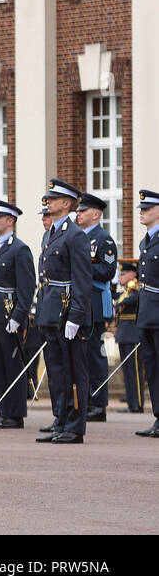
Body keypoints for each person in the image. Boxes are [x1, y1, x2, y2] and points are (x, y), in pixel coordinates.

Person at [32, 180, 93, 444]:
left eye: (54, 199)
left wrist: (76, 316)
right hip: (50, 310)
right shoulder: (50, 234)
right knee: (56, 370)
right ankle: (61, 419)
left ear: (67, 203)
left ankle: (75, 425)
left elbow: (82, 278)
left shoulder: (75, 234)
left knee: (73, 370)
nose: (49, 202)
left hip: (68, 312)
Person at [0, 200, 35, 430]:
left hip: (8, 314)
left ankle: (15, 414)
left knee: (13, 365)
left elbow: (26, 287)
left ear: (10, 220)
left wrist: (17, 316)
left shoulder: (19, 249)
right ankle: (4, 411)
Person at [76, 192, 116, 421]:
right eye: (78, 210)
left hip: (95, 303)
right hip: (81, 303)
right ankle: (87, 399)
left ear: (96, 214)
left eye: (83, 211)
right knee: (82, 356)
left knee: (95, 355)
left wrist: (82, 268)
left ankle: (99, 404)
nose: (79, 214)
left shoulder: (103, 239)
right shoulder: (80, 237)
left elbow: (108, 271)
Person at [132, 188, 159, 438]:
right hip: (147, 313)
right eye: (141, 209)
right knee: (151, 366)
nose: (142, 213)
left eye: (147, 209)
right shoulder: (145, 242)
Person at [114, 259, 144, 414]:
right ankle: (131, 402)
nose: (121, 276)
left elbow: (130, 300)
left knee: (135, 372)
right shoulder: (125, 291)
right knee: (127, 372)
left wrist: (121, 300)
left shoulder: (137, 291)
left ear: (133, 274)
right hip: (124, 334)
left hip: (133, 334)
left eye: (124, 273)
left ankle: (137, 403)